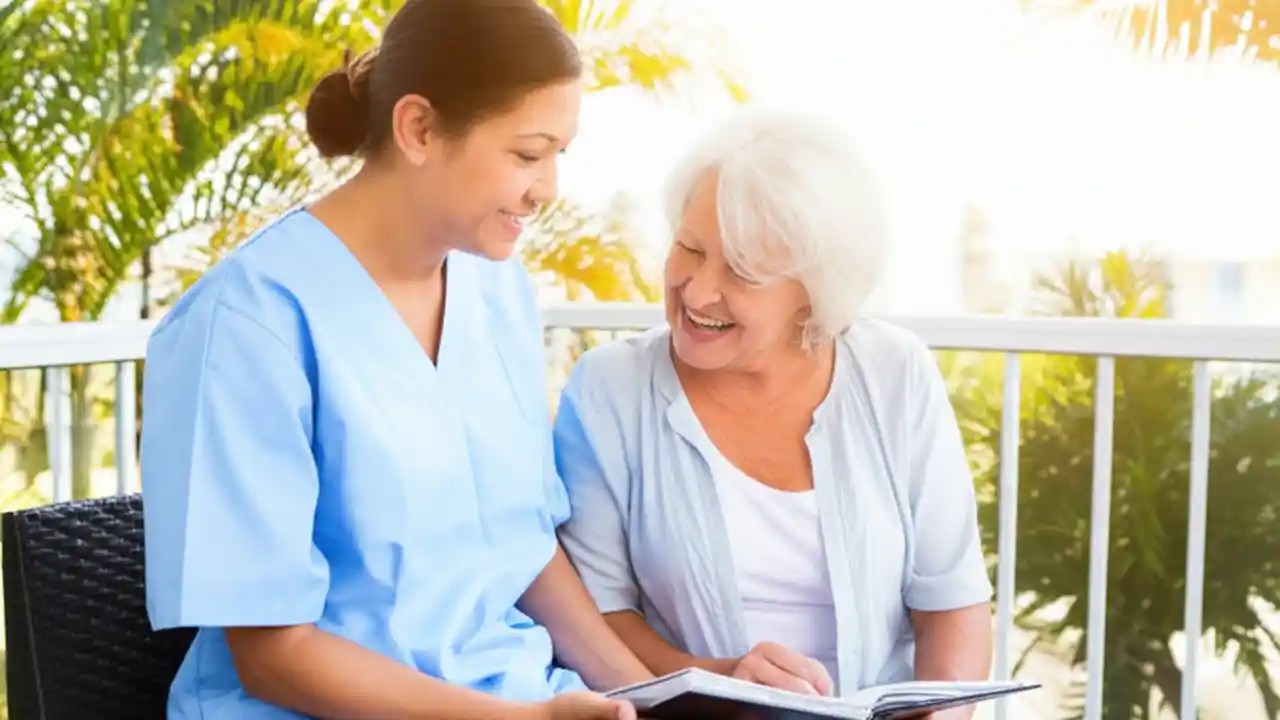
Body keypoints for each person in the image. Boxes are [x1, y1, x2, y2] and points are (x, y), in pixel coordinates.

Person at [139, 1, 651, 718]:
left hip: (515, 696)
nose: (547, 190)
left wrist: (648, 695)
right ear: (418, 128)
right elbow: (273, 658)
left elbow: (522, 543)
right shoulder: (249, 322)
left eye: (558, 156)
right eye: (527, 154)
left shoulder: (496, 288)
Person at [554, 108, 994, 712]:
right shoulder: (611, 387)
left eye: (742, 272)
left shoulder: (896, 373)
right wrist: (720, 681)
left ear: (812, 293)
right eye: (689, 248)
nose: (699, 290)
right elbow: (599, 617)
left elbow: (953, 602)